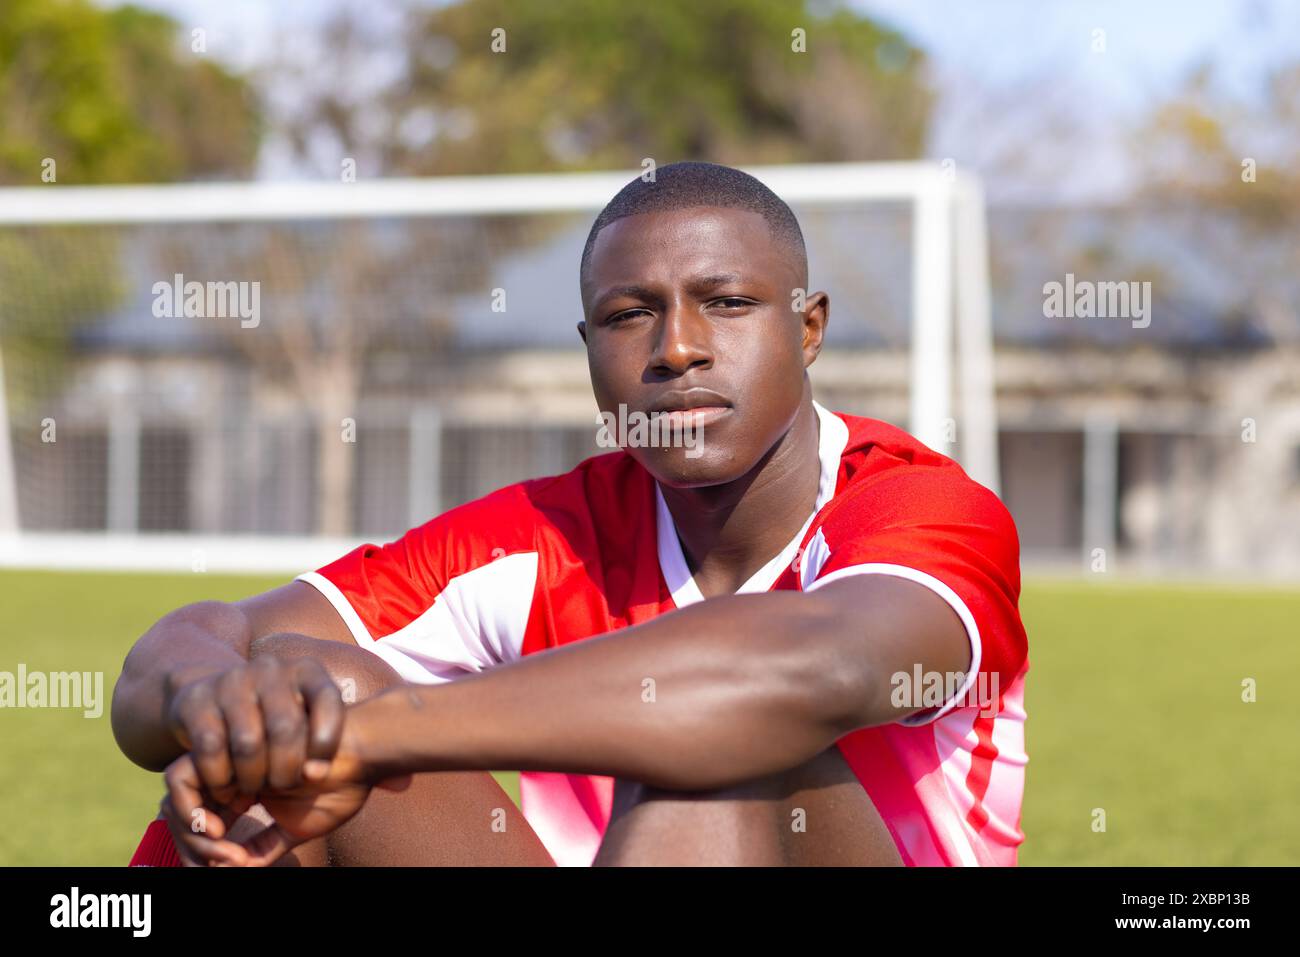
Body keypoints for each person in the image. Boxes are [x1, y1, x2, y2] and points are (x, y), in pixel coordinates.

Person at [115, 161, 1028, 867]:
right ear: (590, 350)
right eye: (631, 315)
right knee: (292, 702)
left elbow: (808, 667)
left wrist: (368, 735)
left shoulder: (921, 506)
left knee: (725, 745)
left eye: (729, 304)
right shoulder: (550, 532)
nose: (678, 348)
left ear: (809, 326)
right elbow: (191, 652)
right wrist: (218, 708)